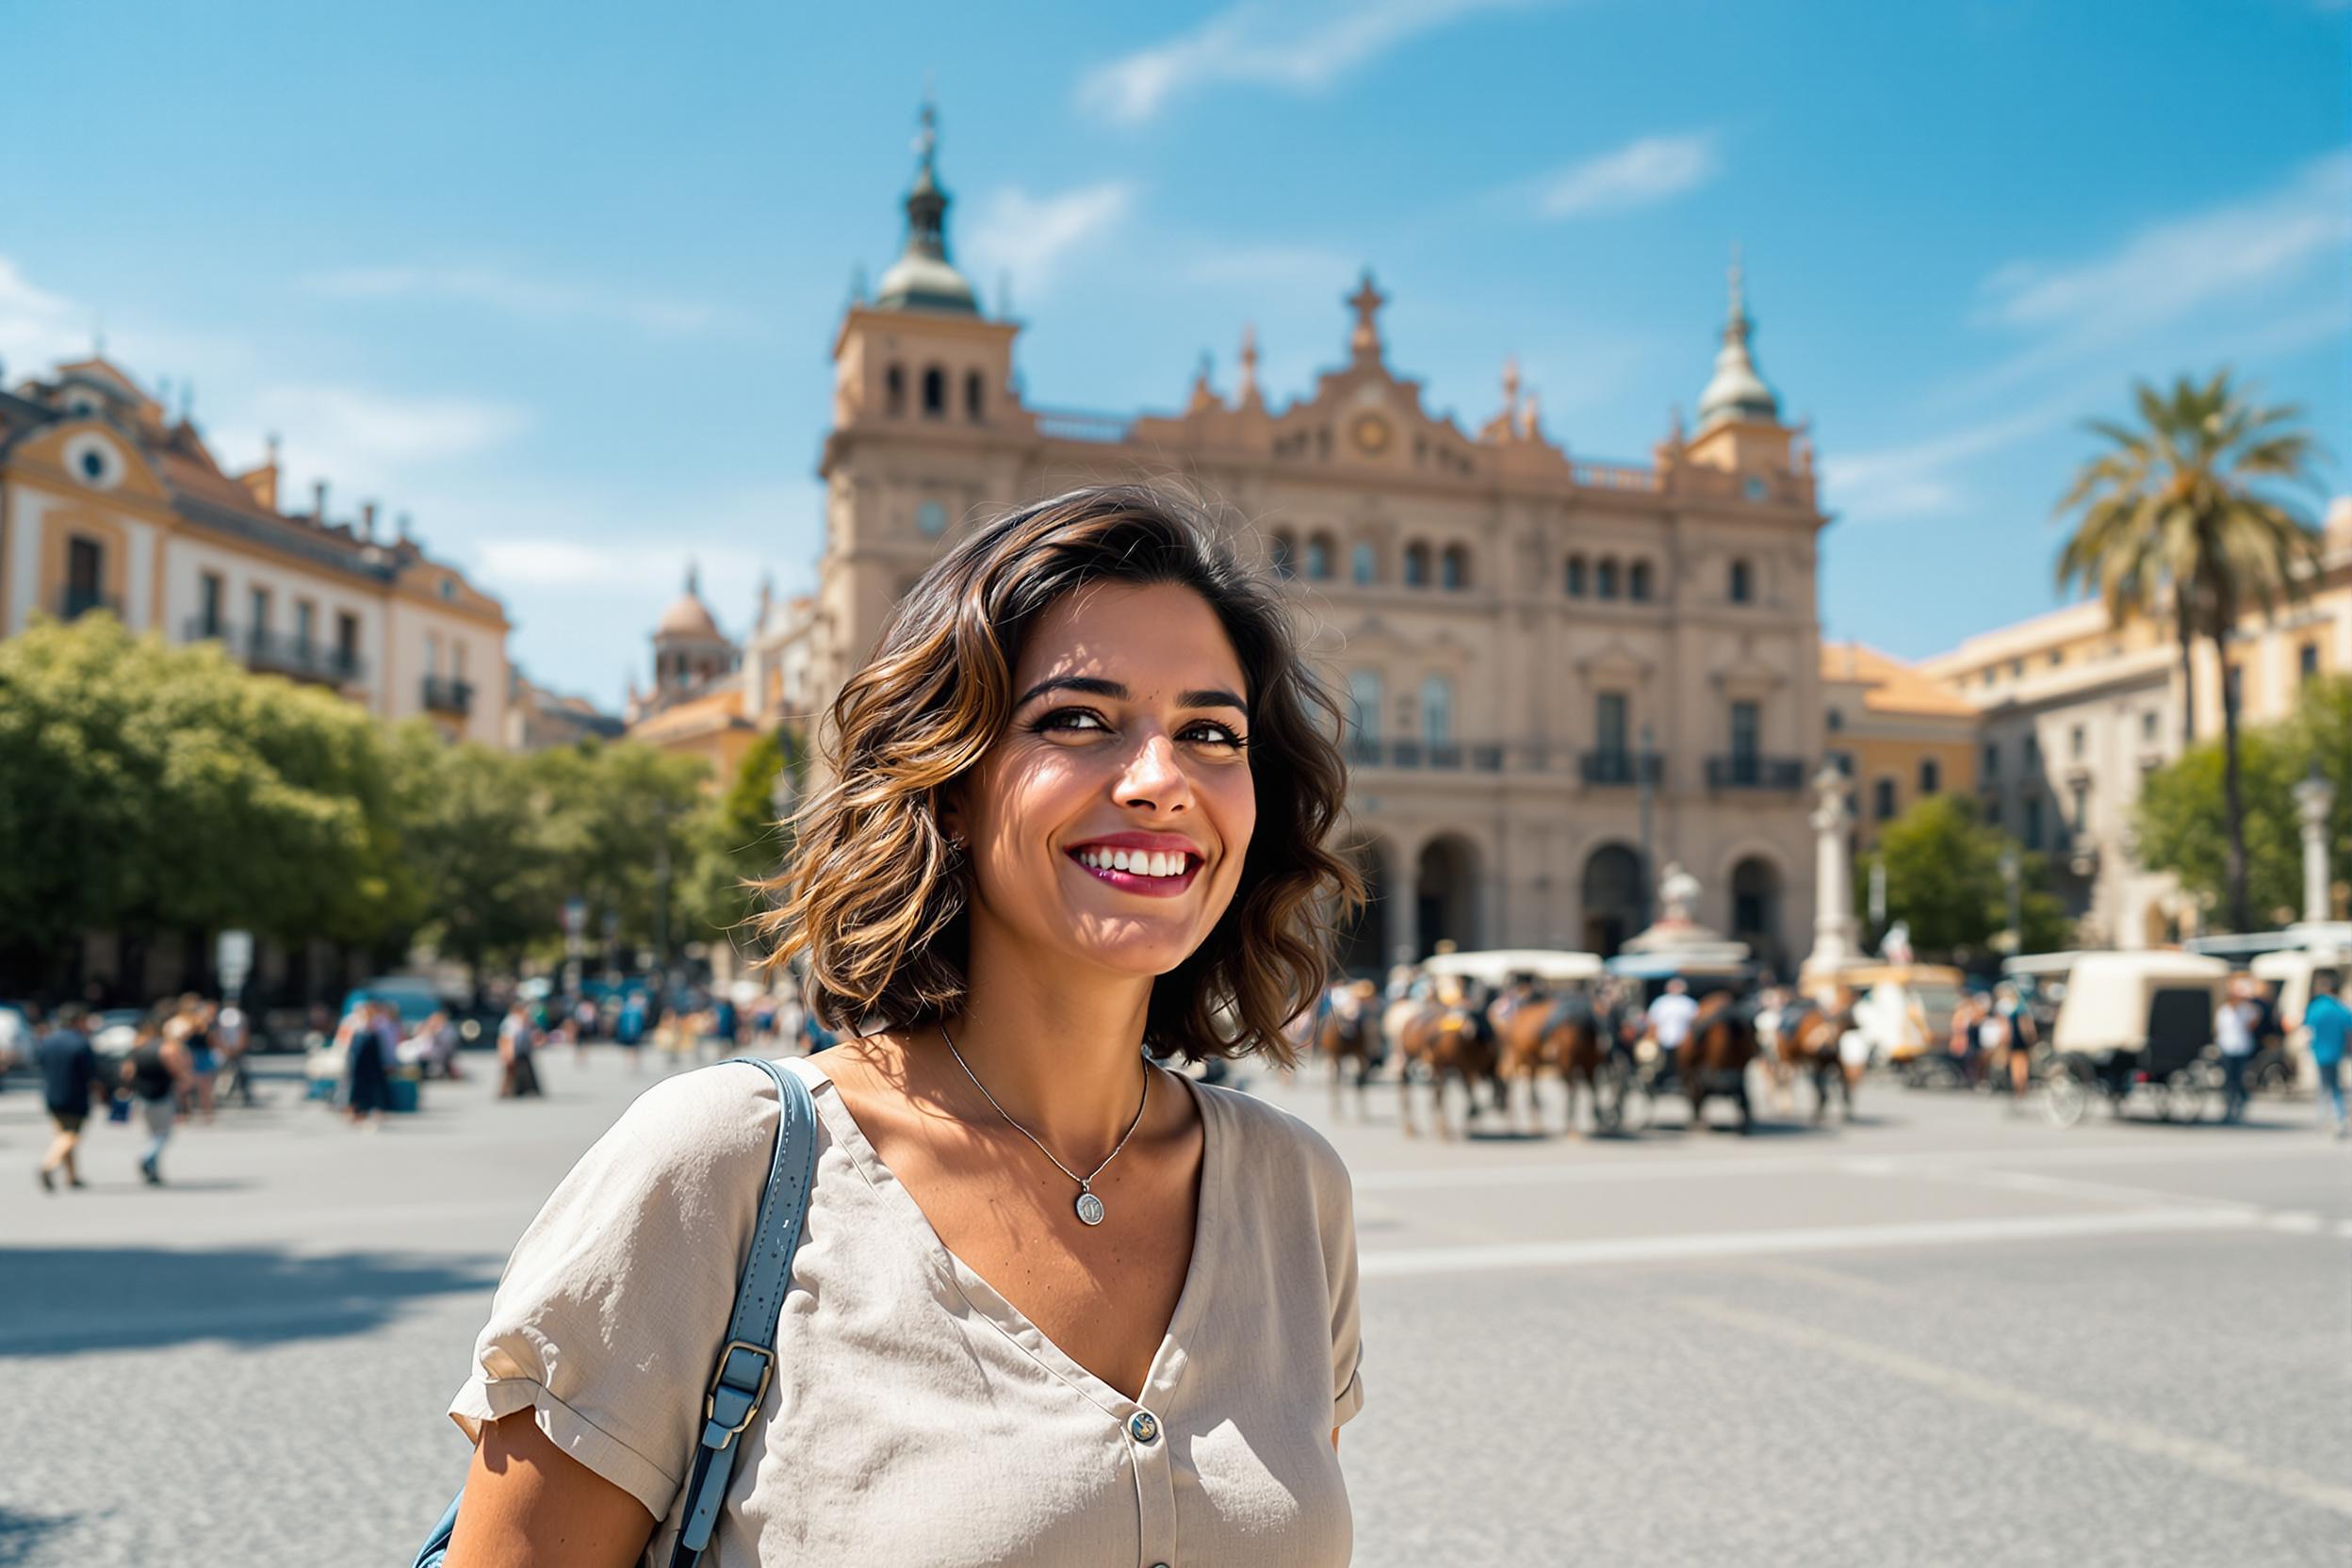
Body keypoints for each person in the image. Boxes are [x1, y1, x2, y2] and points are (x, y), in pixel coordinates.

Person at [441, 485, 1366, 1564]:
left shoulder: (1296, 1193)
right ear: (953, 781)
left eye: (1212, 731)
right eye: (1078, 718)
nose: (1162, 780)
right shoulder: (724, 1162)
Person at [35, 1005, 105, 1192]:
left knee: (61, 1133)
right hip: (75, 1095)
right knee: (71, 1135)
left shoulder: (48, 1040)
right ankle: (48, 1164)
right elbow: (91, 1074)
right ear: (77, 1021)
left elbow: (40, 1063)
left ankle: (72, 1176)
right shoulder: (80, 1043)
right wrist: (102, 1094)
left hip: (52, 1093)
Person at [123, 1016, 191, 1184]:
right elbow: (177, 1071)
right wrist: (187, 1085)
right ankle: (148, 1157)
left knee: (152, 1134)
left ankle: (153, 1171)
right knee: (163, 1134)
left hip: (141, 1096)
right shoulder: (167, 1049)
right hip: (161, 1094)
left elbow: (127, 1073)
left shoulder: (137, 1049)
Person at [2300, 972, 2349, 1138]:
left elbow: (2307, 1028)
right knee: (2335, 1087)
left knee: (2323, 1087)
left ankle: (2323, 1119)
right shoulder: (2339, 1008)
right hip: (2336, 1052)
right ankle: (2339, 1118)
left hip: (2319, 1052)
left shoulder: (2315, 1007)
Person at [2215, 976, 2257, 1124]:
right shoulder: (2224, 1011)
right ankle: (2229, 1108)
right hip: (2227, 1048)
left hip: (2241, 1048)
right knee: (2228, 1080)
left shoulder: (2246, 1010)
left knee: (2239, 1079)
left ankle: (2239, 1103)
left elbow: (2253, 1023)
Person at [498, 1002, 543, 1099]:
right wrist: (509, 1053)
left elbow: (534, 1034)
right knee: (510, 1072)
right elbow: (506, 1039)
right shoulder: (510, 1022)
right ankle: (505, 1091)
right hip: (514, 1050)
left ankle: (522, 1089)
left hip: (522, 1050)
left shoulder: (525, 1021)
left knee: (523, 1072)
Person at [1647, 977, 1699, 1056]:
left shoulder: (1689, 1003)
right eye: (1674, 986)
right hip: (1662, 1042)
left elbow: (1695, 1022)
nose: (1675, 988)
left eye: (1678, 986)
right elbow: (1653, 1022)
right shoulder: (1660, 1001)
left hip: (1683, 1044)